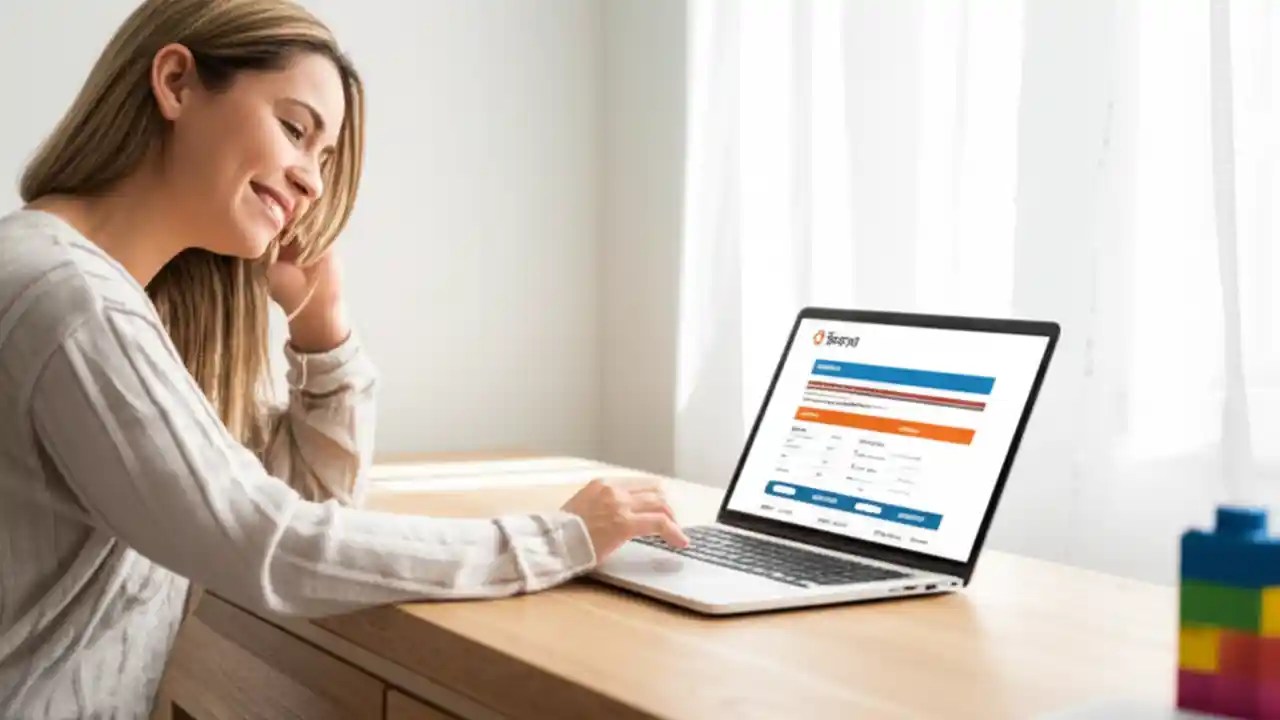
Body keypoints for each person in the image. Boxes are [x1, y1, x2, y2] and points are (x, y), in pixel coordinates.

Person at [0, 0, 690, 715]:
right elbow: (263, 543)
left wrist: (322, 331)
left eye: (323, 159)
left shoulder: (96, 292)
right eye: (295, 130)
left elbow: (299, 509)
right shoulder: (71, 300)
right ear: (175, 82)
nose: (313, 183)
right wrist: (558, 539)